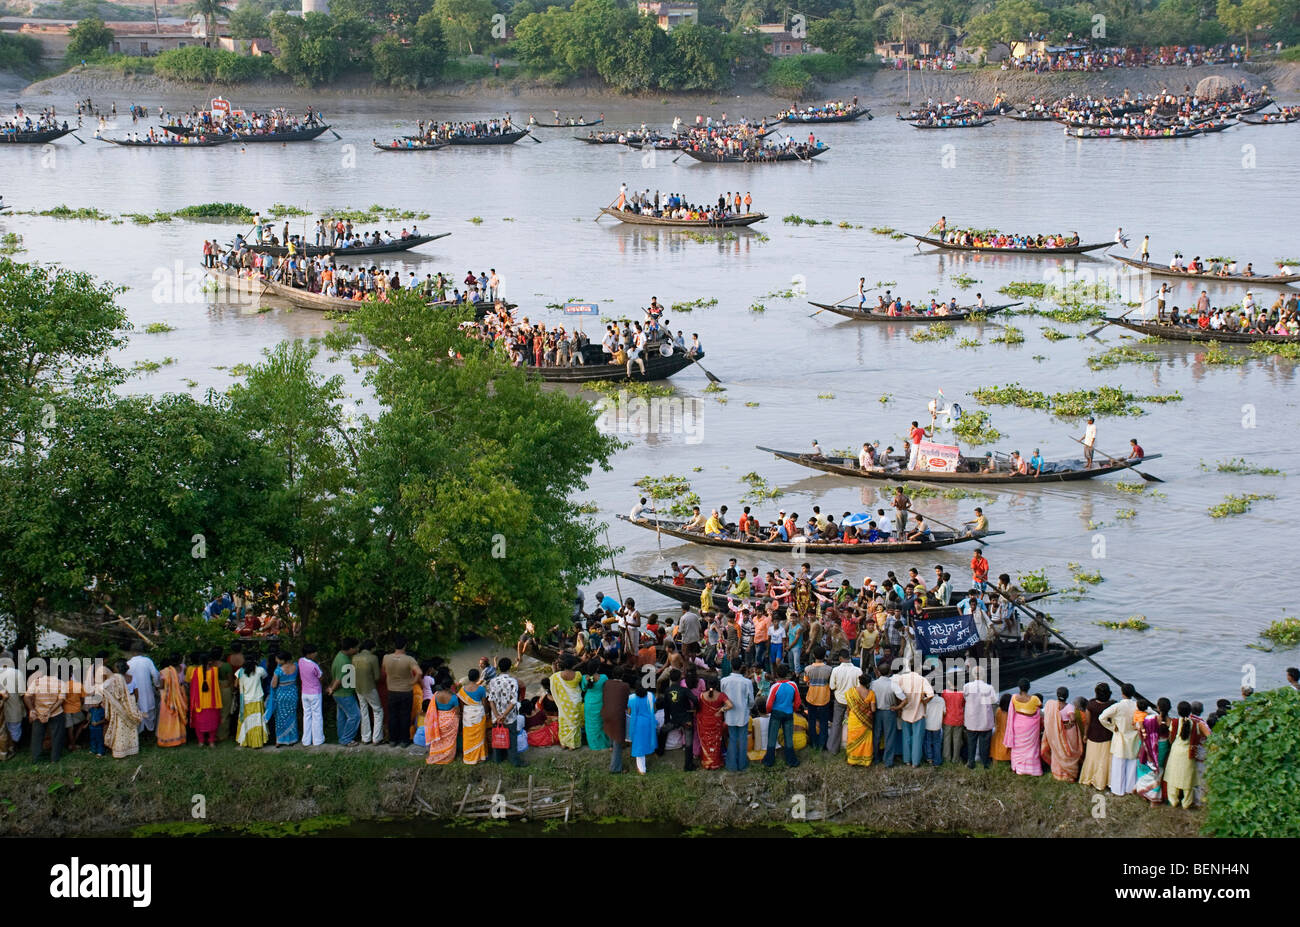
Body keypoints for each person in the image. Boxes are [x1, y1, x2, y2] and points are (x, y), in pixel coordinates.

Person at [1099, 682, 1141, 794]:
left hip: (1120, 738)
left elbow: (1102, 717)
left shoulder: (1117, 706)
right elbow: (1152, 713)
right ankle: (1130, 788)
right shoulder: (1137, 705)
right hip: (1134, 738)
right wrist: (1139, 726)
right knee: (1132, 764)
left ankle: (1118, 789)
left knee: (1119, 765)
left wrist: (1113, 727)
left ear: (1122, 694)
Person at [892, 660, 934, 768]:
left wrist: (900, 706)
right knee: (917, 738)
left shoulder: (902, 678)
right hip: (918, 712)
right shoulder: (922, 679)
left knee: (906, 738)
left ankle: (907, 760)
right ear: (919, 668)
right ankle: (915, 762)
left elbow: (897, 693)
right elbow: (930, 694)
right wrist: (924, 701)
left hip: (905, 711)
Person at [1165, 701, 1206, 808]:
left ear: (1178, 711)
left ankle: (1173, 800)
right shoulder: (1195, 724)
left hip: (1176, 752)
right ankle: (1186, 802)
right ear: (1190, 711)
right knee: (1188, 778)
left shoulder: (1174, 722)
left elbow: (1171, 738)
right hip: (1189, 753)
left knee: (1173, 776)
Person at [488, 657, 527, 767]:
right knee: (512, 738)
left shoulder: (492, 681)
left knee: (497, 736)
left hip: (496, 716)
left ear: (499, 668)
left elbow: (491, 700)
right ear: (509, 667)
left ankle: (497, 759)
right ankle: (514, 761)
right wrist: (504, 715)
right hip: (509, 717)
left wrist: (497, 716)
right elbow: (513, 701)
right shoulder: (513, 681)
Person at [382, 636, 421, 748]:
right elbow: (419, 672)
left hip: (392, 691)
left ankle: (393, 740)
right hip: (405, 691)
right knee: (405, 715)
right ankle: (404, 740)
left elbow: (384, 670)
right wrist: (413, 682)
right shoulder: (409, 659)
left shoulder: (386, 658)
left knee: (392, 716)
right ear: (405, 646)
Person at [24, 663, 66, 763]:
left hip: (39, 712)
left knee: (37, 736)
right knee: (56, 736)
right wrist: (49, 711)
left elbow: (26, 697)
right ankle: (54, 759)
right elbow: (61, 700)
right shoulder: (61, 683)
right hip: (56, 713)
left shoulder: (36, 682)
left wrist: (32, 710)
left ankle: (36, 758)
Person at [1041, 686, 1084, 781]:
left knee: (1058, 750)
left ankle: (1058, 773)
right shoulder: (1069, 707)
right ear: (1067, 696)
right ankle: (1069, 774)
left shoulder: (1051, 705)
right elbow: (1072, 718)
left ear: (1057, 695)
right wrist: (1068, 724)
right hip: (1068, 731)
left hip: (1056, 732)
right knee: (1069, 751)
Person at [763, 665, 802, 767]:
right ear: (787, 674)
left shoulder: (775, 686)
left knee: (772, 736)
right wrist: (792, 709)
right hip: (788, 713)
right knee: (788, 737)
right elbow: (798, 702)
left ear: (776, 674)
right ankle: (791, 760)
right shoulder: (793, 685)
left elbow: (769, 704)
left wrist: (769, 711)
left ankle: (769, 761)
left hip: (776, 713)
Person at [101, 661, 142, 759]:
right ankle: (131, 748)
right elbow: (136, 692)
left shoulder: (114, 678)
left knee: (120, 727)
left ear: (117, 669)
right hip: (130, 703)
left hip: (119, 705)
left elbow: (102, 688)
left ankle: (120, 751)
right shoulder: (131, 677)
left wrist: (110, 698)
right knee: (130, 727)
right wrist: (134, 704)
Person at [658, 669, 697, 770]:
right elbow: (695, 699)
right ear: (680, 679)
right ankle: (688, 765)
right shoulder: (684, 690)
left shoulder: (667, 691)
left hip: (674, 719)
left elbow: (666, 708)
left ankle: (660, 751)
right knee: (689, 742)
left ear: (670, 678)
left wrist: (667, 721)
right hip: (686, 719)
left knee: (663, 731)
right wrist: (695, 709)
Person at [1079, 682, 1115, 790]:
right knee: (1105, 760)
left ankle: (1089, 777)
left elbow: (1087, 722)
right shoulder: (1111, 705)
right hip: (1107, 735)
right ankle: (1104, 780)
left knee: (1092, 758)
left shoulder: (1091, 704)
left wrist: (1085, 735)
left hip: (1093, 735)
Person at [1004, 678, 1042, 775]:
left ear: (1019, 687)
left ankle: (1018, 767)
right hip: (1030, 726)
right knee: (1031, 747)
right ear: (1029, 687)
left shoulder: (1014, 698)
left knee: (1018, 747)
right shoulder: (1035, 699)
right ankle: (1032, 769)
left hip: (1018, 725)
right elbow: (1040, 707)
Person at [721, 661, 754, 771]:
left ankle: (732, 765)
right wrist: (748, 708)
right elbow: (751, 701)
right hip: (743, 714)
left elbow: (722, 698)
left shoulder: (724, 681)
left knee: (733, 739)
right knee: (742, 739)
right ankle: (742, 764)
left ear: (731, 667)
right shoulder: (747, 682)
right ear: (741, 668)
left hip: (730, 715)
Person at [827, 650, 861, 754]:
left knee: (836, 723)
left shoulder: (836, 670)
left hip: (839, 700)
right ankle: (852, 748)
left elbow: (832, 687)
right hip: (853, 701)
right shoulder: (858, 670)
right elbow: (859, 688)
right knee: (853, 724)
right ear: (850, 657)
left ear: (840, 658)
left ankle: (833, 749)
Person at [329, 638, 361, 746]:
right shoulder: (344, 661)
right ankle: (346, 739)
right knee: (355, 716)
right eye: (356, 647)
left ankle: (342, 737)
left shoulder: (340, 656)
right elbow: (338, 679)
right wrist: (331, 689)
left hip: (340, 694)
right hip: (344, 694)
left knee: (342, 717)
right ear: (351, 648)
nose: (357, 649)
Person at [962, 665, 995, 768]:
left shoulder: (967, 686)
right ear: (983, 675)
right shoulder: (989, 687)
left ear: (972, 675)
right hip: (985, 720)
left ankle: (971, 762)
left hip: (971, 719)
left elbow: (964, 697)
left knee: (971, 743)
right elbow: (994, 700)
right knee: (984, 744)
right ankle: (985, 763)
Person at [266, 649, 301, 746]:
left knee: (280, 718)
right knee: (292, 716)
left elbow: (273, 685)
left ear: (283, 660)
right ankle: (292, 739)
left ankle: (280, 740)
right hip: (293, 695)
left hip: (282, 696)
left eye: (277, 659)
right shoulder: (296, 666)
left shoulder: (278, 670)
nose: (276, 661)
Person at [189, 651, 223, 748]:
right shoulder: (215, 671)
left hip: (199, 704)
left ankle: (201, 742)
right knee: (213, 723)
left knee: (199, 724)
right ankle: (211, 742)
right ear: (210, 661)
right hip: (212, 703)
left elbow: (192, 684)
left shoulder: (195, 671)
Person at [695, 678, 730, 770]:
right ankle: (716, 763)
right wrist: (721, 710)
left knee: (706, 742)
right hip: (716, 722)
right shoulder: (721, 695)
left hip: (704, 723)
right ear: (717, 685)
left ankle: (707, 762)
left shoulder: (702, 695)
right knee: (716, 742)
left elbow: (698, 709)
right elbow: (730, 705)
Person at [353, 639, 383, 745]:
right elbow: (377, 676)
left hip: (358, 688)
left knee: (364, 711)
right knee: (378, 710)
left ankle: (365, 738)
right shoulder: (373, 658)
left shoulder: (355, 657)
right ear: (372, 648)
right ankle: (376, 738)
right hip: (370, 688)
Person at [126, 643, 159, 738]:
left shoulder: (128, 663)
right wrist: (157, 685)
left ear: (132, 652)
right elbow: (155, 674)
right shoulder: (147, 661)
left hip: (134, 693)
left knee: (137, 712)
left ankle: (137, 735)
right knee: (149, 712)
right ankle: (149, 734)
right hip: (147, 691)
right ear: (142, 652)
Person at [802, 647, 833, 750]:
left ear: (814, 656)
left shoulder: (807, 669)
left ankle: (814, 743)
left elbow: (806, 681)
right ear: (824, 656)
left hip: (811, 698)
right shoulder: (829, 669)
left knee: (812, 721)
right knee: (824, 721)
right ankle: (822, 744)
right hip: (824, 698)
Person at [551, 657, 584, 749]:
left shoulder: (556, 676)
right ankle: (573, 745)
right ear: (573, 666)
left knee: (564, 722)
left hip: (564, 703)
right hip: (575, 701)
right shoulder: (578, 675)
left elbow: (555, 681)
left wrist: (554, 670)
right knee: (574, 723)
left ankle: (564, 743)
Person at [602, 669, 631, 773]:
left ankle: (611, 746)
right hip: (617, 716)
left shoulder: (606, 683)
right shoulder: (625, 686)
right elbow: (626, 702)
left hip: (605, 712)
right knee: (618, 740)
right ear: (622, 675)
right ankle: (615, 768)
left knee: (610, 728)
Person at [236, 656, 268, 748]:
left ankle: (246, 741)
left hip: (245, 700)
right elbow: (265, 677)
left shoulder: (240, 671)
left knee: (246, 721)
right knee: (257, 721)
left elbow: (236, 684)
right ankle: (257, 742)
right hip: (257, 699)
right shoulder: (260, 670)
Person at [425, 681, 460, 765]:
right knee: (449, 740)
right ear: (450, 686)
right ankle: (447, 756)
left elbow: (434, 708)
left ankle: (436, 754)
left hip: (438, 721)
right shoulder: (453, 697)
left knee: (438, 739)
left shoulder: (436, 695)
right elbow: (457, 711)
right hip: (450, 721)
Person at [871, 661, 899, 767]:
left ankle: (876, 758)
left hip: (877, 711)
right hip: (889, 711)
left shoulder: (873, 684)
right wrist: (897, 707)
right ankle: (888, 761)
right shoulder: (893, 684)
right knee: (889, 737)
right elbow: (903, 698)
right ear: (890, 672)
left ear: (878, 672)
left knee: (876, 735)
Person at [156, 655, 188, 748]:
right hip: (180, 695)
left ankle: (167, 739)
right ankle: (180, 738)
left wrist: (156, 687)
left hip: (168, 697)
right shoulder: (183, 668)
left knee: (168, 718)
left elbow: (162, 686)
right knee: (178, 716)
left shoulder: (165, 672)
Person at [298, 643, 325, 747]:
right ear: (309, 654)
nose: (316, 654)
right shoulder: (314, 665)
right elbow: (320, 677)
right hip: (315, 693)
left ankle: (306, 740)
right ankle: (317, 740)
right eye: (314, 652)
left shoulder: (300, 661)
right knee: (317, 716)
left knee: (307, 716)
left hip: (304, 693)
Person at [628, 680, 657, 774]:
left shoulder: (631, 698)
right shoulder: (650, 695)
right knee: (646, 741)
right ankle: (642, 768)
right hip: (649, 722)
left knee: (638, 746)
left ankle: (642, 770)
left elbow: (629, 712)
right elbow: (654, 708)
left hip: (637, 724)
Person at [581, 666, 608, 751]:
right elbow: (607, 688)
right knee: (601, 723)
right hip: (600, 702)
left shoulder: (584, 678)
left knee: (590, 725)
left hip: (589, 703)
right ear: (597, 669)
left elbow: (583, 688)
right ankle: (604, 744)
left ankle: (593, 745)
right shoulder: (603, 677)